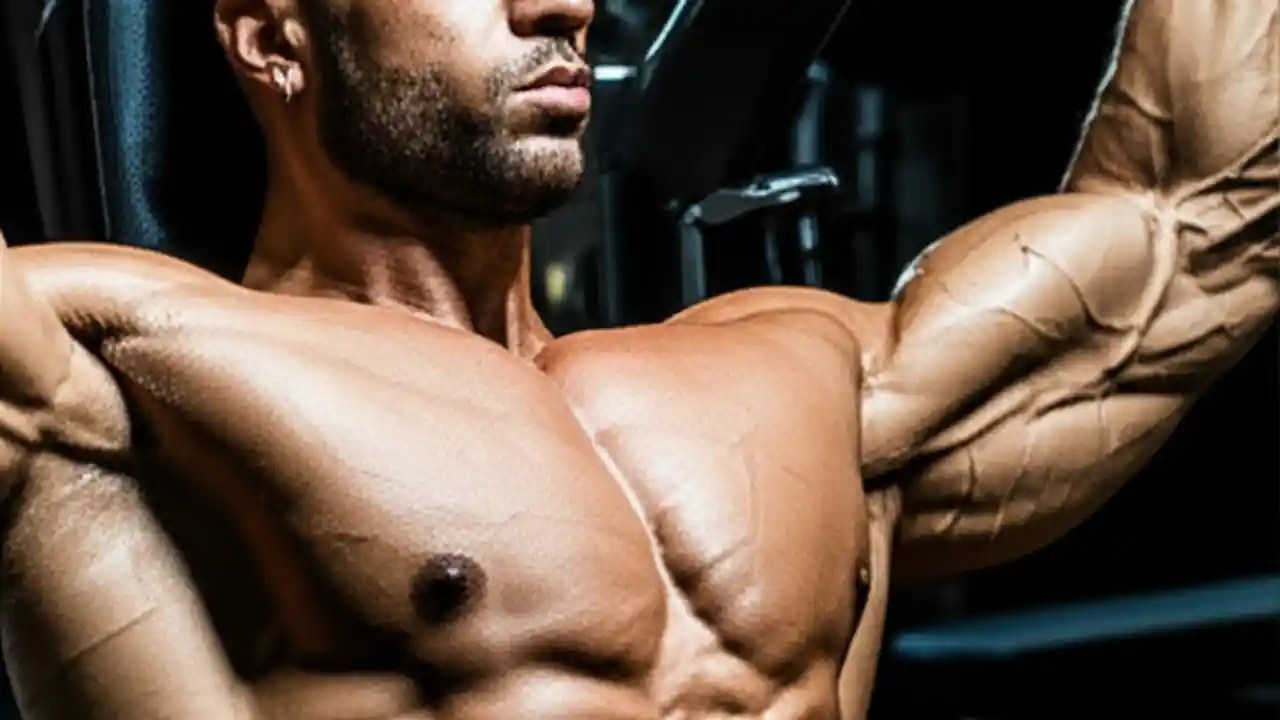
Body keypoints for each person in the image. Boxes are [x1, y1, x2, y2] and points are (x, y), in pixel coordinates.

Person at [0, 0, 1275, 717]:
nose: (554, 1)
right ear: (273, 35)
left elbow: (1199, 215)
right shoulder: (118, 376)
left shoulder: (807, 378)